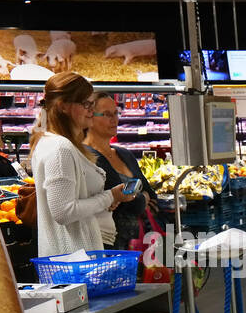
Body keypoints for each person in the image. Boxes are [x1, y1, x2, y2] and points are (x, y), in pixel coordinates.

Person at [29, 72, 132, 257]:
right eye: (85, 104)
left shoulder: (56, 143)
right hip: (75, 258)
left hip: (76, 256)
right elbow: (64, 212)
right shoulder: (60, 148)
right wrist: (109, 197)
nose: (90, 110)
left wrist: (103, 201)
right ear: (63, 107)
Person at [83, 94, 157, 251]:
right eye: (107, 114)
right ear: (89, 117)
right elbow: (132, 203)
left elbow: (150, 193)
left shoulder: (124, 153)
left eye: (116, 113)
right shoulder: (87, 156)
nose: (114, 119)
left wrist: (138, 198)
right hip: (108, 244)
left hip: (139, 244)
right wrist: (142, 198)